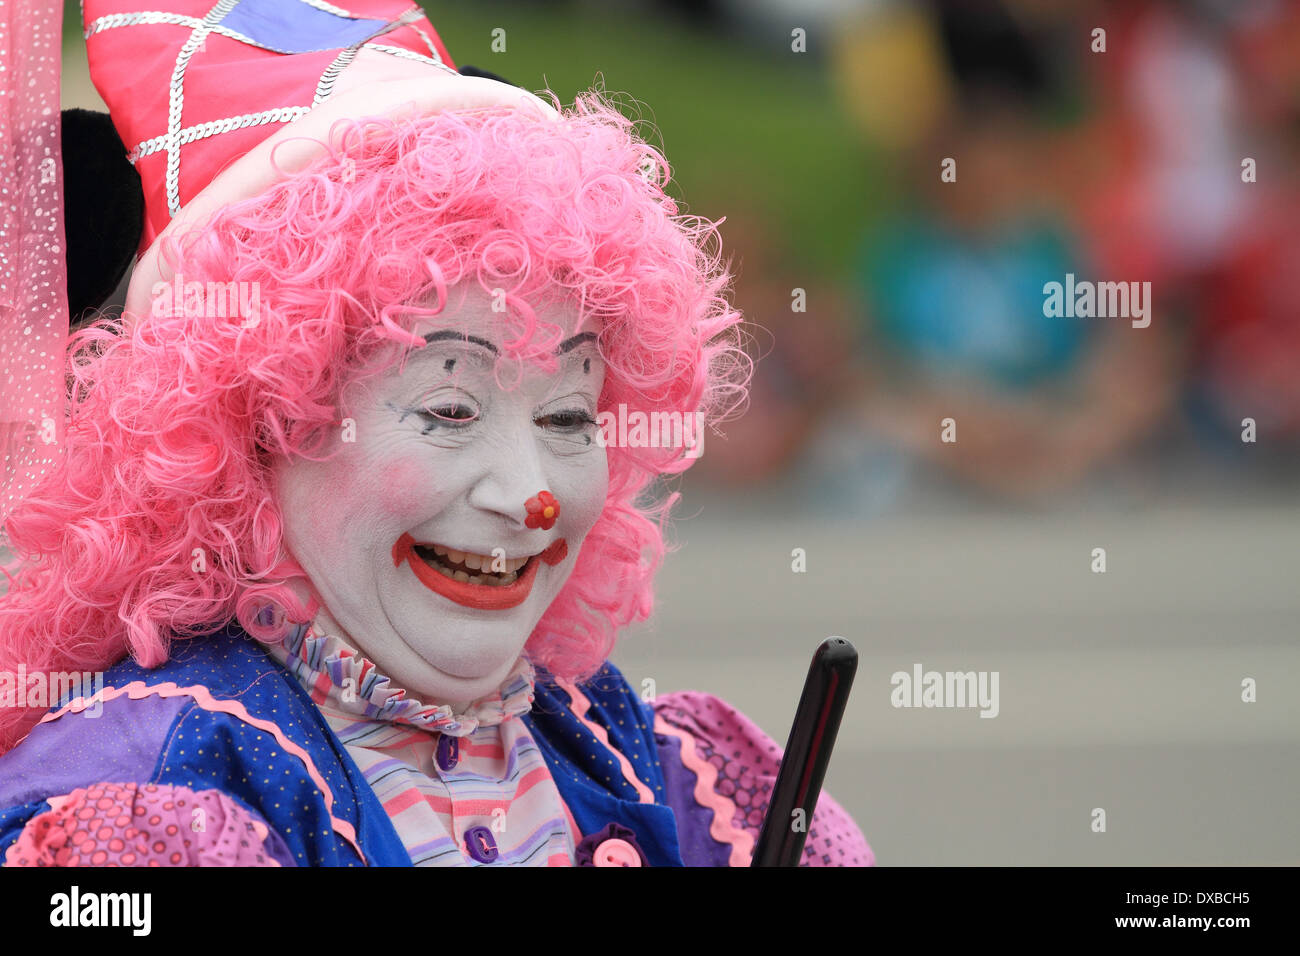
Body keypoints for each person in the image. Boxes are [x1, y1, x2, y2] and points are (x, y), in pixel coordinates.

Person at [0, 0, 871, 867]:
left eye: (567, 416)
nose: (530, 497)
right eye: (450, 412)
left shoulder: (661, 769)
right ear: (250, 435)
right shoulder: (154, 801)